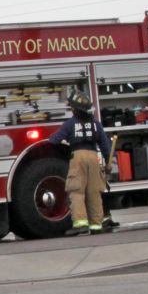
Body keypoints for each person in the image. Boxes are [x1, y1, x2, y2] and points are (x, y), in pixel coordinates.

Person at [49, 93, 112, 233]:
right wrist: (109, 162)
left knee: (76, 190)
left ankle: (80, 224)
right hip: (93, 158)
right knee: (94, 192)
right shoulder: (96, 124)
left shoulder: (70, 124)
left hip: (77, 158)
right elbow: (105, 145)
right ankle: (96, 226)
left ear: (75, 109)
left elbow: (54, 140)